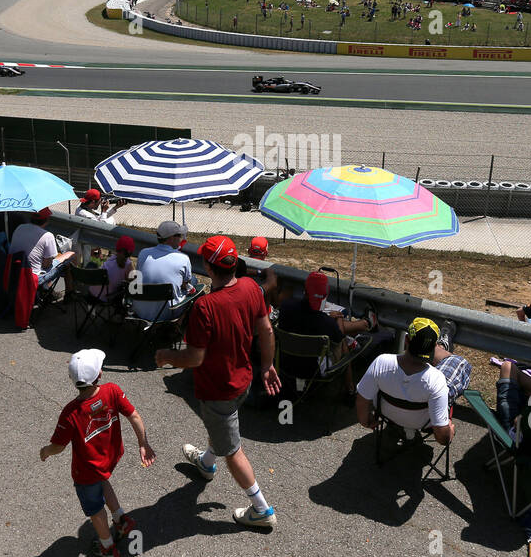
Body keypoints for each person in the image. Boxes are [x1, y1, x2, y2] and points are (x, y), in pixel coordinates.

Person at [156, 236, 281, 530]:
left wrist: (166, 356)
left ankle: (261, 509)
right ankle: (206, 462)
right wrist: (268, 365)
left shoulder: (205, 308)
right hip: (244, 378)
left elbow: (195, 358)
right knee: (220, 426)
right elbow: (265, 329)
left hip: (219, 389)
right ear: (234, 263)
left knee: (233, 450)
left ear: (209, 268)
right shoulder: (251, 287)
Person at [40, 349, 155, 557]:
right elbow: (134, 416)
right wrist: (143, 443)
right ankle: (120, 519)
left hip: (86, 471)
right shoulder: (112, 391)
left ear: (72, 380)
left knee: (95, 509)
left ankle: (107, 546)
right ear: (100, 374)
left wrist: (45, 451)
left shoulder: (71, 412)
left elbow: (58, 446)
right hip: (108, 458)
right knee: (102, 482)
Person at [276, 271, 377, 400]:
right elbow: (339, 339)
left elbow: (306, 321)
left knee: (341, 335)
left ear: (305, 290)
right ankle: (350, 389)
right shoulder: (326, 323)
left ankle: (365, 323)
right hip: (314, 371)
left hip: (285, 364)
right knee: (344, 342)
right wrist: (339, 318)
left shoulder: (286, 308)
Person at [355, 318, 454, 447]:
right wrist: (450, 432)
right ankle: (443, 346)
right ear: (433, 349)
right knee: (459, 363)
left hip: (388, 414)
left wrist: (366, 422)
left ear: (406, 340)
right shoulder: (437, 379)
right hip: (422, 423)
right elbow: (442, 438)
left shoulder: (381, 363)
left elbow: (362, 399)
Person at [134, 220, 197, 321]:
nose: (181, 238)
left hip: (140, 311)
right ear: (171, 238)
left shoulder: (143, 253)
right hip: (168, 313)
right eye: (179, 235)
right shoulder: (183, 258)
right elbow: (186, 284)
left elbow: (138, 277)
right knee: (193, 281)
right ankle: (180, 325)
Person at [8, 207, 76, 288]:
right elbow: (47, 265)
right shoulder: (47, 236)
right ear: (47, 220)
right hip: (35, 277)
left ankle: (47, 288)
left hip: (15, 271)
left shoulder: (20, 227)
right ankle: (70, 293)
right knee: (71, 254)